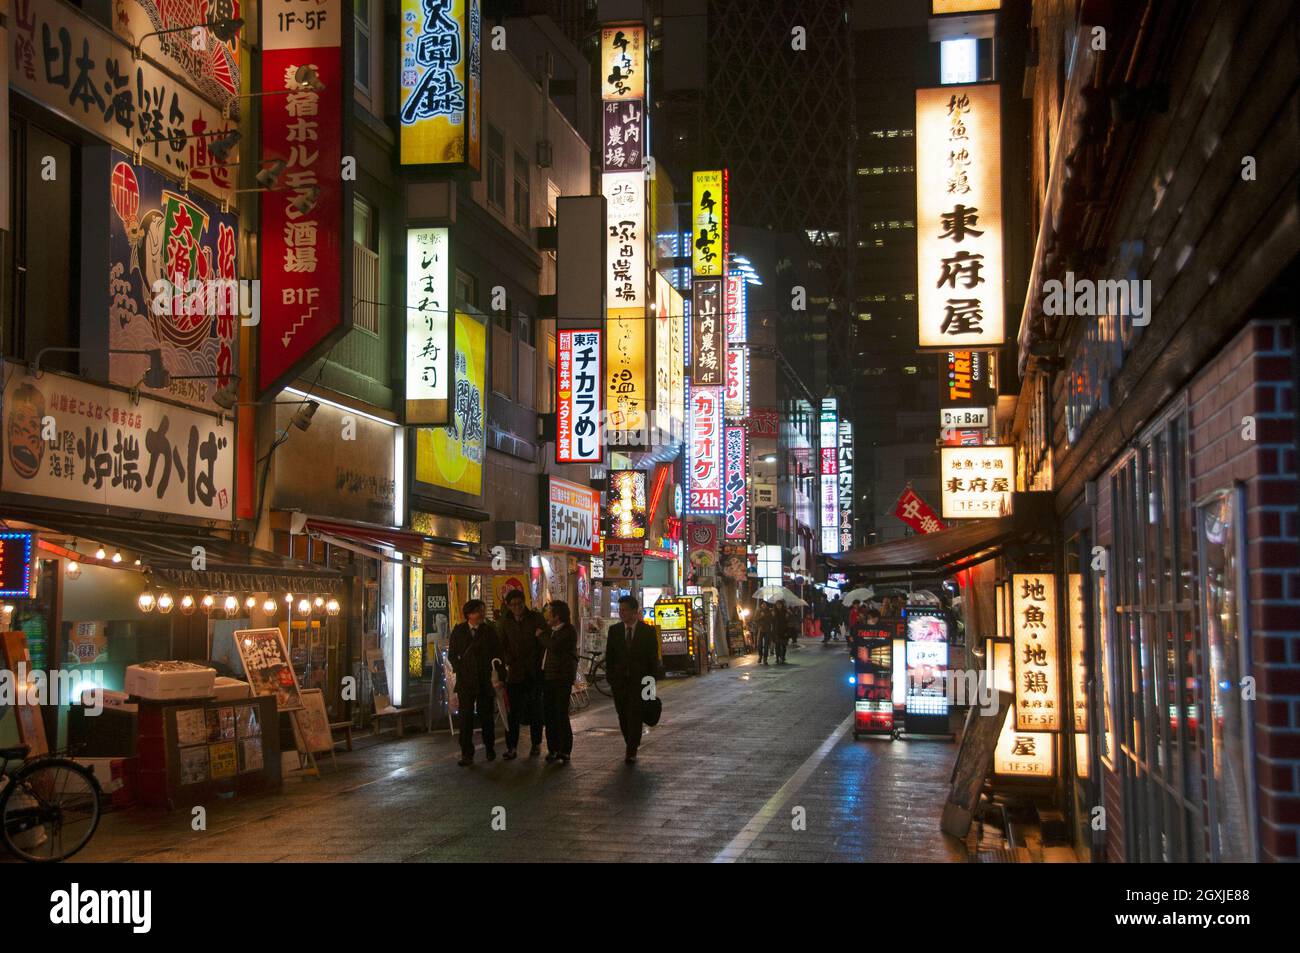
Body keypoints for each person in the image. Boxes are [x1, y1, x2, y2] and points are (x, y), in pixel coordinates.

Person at [604, 595, 663, 763]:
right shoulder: (614, 631)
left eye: (624, 610)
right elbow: (610, 657)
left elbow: (653, 660)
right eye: (620, 610)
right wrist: (611, 677)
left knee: (635, 714)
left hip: (641, 681)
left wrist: (651, 686)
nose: (621, 613)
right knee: (622, 714)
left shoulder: (648, 632)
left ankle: (631, 748)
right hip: (620, 681)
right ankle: (630, 742)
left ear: (634, 611)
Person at [448, 599, 501, 766]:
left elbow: (497, 653)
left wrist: (497, 674)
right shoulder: (459, 631)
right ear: (469, 614)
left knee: (486, 717)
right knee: (465, 719)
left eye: (482, 610)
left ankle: (490, 748)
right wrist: (460, 668)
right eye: (478, 610)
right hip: (466, 682)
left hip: (484, 680)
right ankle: (466, 753)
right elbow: (452, 654)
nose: (482, 614)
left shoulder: (489, 631)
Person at [498, 589, 546, 759]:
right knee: (513, 713)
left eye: (519, 603)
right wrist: (508, 660)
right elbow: (501, 645)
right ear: (508, 606)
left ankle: (536, 744)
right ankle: (511, 747)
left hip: (534, 672)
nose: (517, 607)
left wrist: (538, 664)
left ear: (524, 602)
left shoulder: (536, 618)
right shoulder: (505, 622)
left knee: (535, 710)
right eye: (513, 605)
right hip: (515, 674)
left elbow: (543, 643)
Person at [537, 600, 579, 764]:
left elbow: (553, 646)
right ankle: (552, 749)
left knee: (561, 713)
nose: (547, 615)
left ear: (557, 615)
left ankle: (565, 750)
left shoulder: (567, 631)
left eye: (549, 611)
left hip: (561, 678)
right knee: (548, 714)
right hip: (547, 677)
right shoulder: (550, 630)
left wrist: (541, 636)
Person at [773, 600, 790, 665]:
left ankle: (783, 657)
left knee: (783, 645)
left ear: (782, 605)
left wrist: (788, 616)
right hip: (776, 631)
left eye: (780, 604)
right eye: (777, 605)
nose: (778, 606)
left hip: (784, 630)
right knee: (777, 645)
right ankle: (777, 657)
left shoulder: (785, 612)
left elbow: (790, 620)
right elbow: (772, 621)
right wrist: (773, 615)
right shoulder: (774, 612)